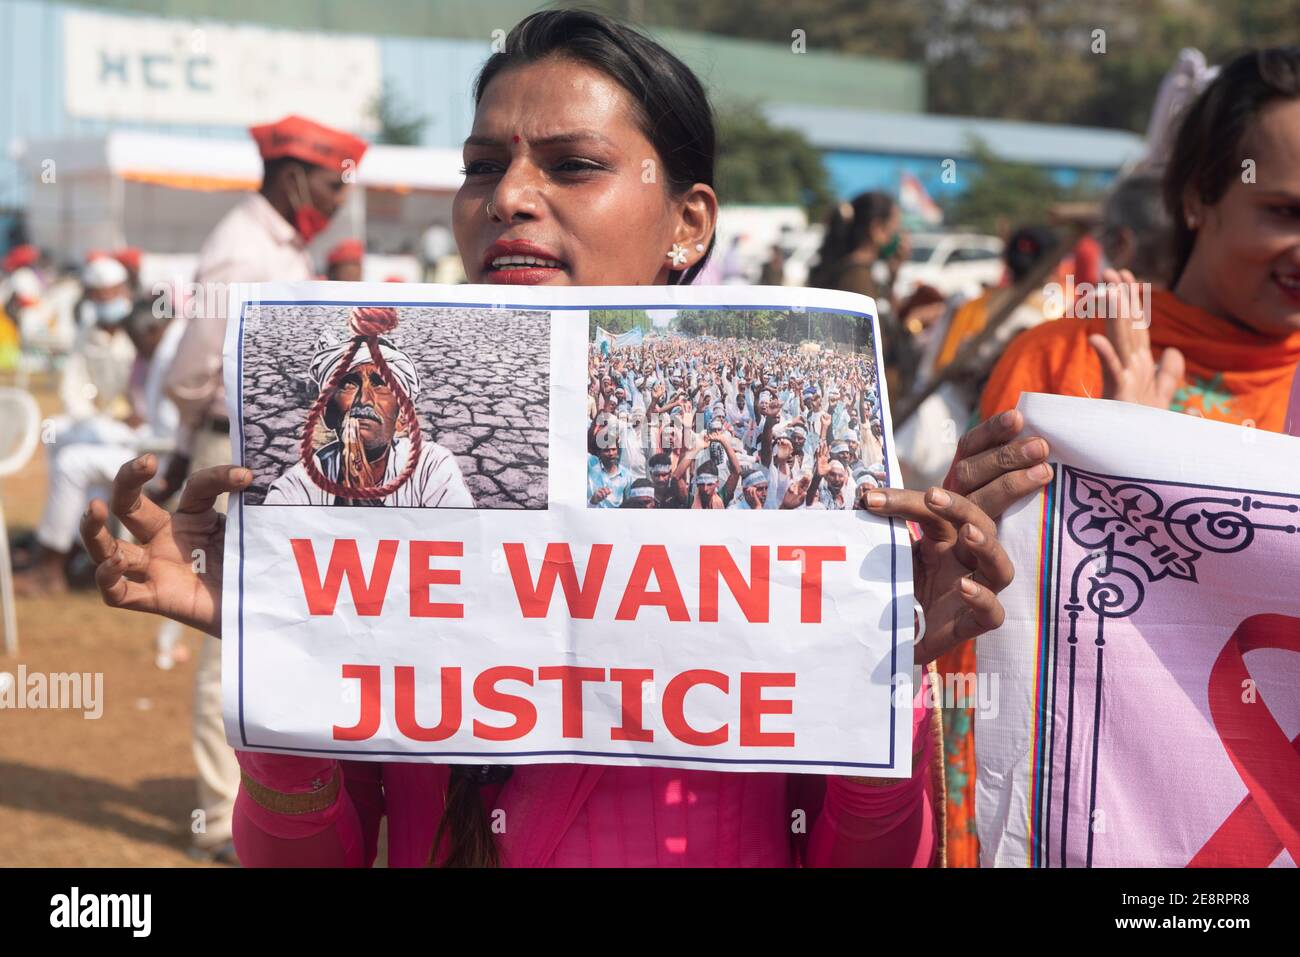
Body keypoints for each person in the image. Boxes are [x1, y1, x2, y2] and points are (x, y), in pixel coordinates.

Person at [81, 9, 1053, 868]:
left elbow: (866, 855)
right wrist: (277, 647)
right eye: (480, 167)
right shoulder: (385, 481)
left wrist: (885, 683)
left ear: (688, 224)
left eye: (572, 165)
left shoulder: (809, 515)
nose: (507, 197)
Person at [954, 46, 1300, 870]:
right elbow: (979, 631)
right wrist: (1124, 479)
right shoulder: (1066, 369)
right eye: (1285, 211)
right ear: (1195, 197)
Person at [158, 114, 367, 864]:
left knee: (273, 620)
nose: (339, 201)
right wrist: (198, 438)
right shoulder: (245, 249)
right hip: (231, 448)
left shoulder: (279, 243)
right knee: (232, 632)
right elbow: (190, 373)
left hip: (268, 452)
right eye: (331, 184)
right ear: (290, 178)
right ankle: (219, 818)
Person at [14, 280, 183, 595]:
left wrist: (131, 430)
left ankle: (50, 566)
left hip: (159, 455)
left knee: (72, 462)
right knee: (67, 441)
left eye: (138, 343)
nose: (138, 352)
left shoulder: (171, 352)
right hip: (148, 442)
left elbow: (171, 432)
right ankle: (73, 554)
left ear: (151, 332)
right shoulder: (168, 346)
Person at [265, 314, 472, 508]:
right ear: (326, 411)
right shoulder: (296, 487)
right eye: (348, 385)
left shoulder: (431, 467)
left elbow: (464, 537)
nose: (364, 399)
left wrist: (361, 490)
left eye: (380, 384)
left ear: (402, 416)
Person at [808, 192, 916, 397]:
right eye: (895, 228)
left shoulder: (867, 271)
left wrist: (894, 273)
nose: (901, 237)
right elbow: (866, 342)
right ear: (877, 229)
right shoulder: (856, 277)